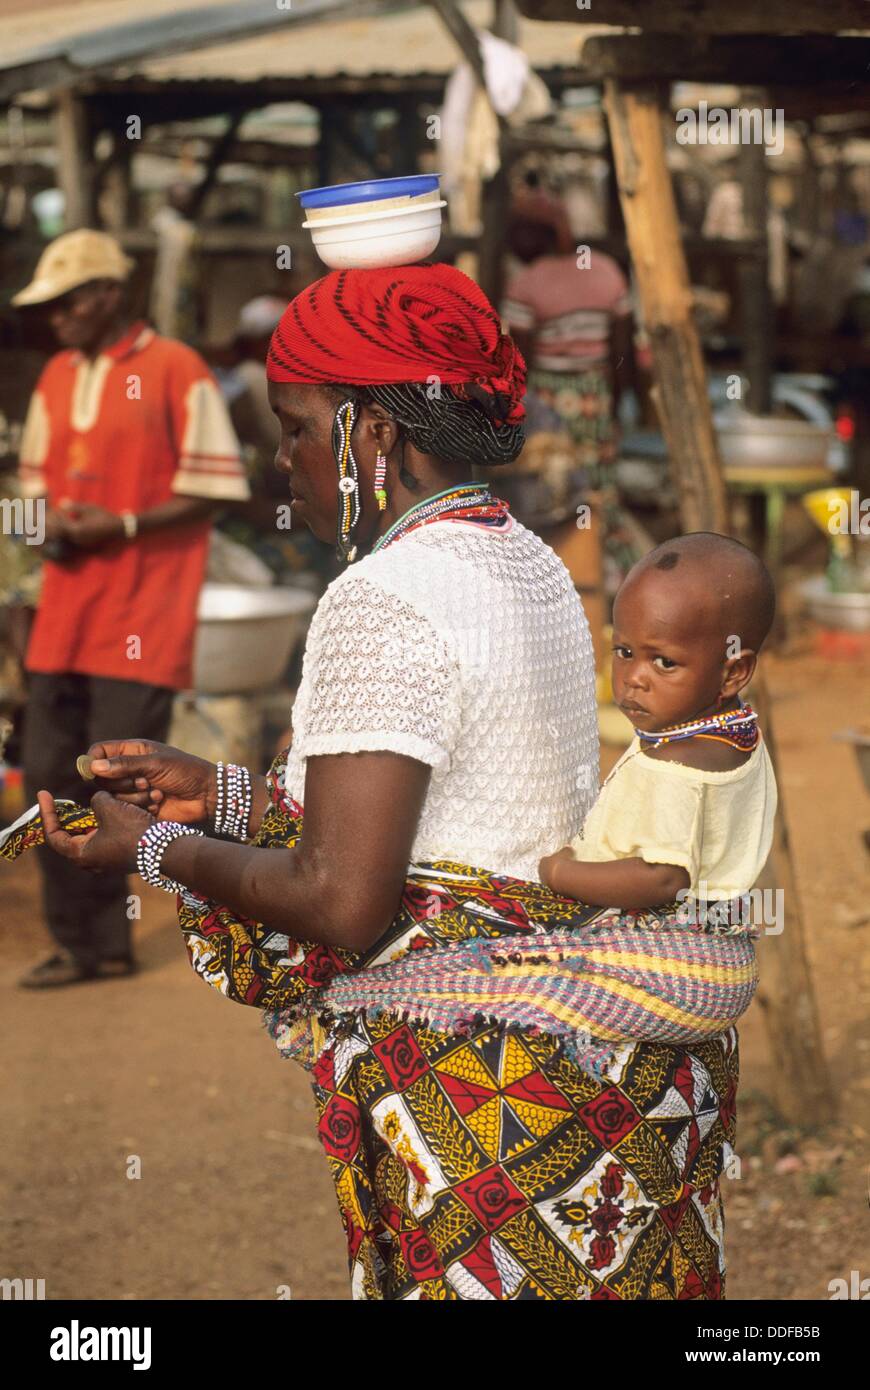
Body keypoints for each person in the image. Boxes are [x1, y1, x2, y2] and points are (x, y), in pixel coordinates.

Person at [31, 263, 747, 1300]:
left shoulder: (385, 595)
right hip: (598, 1079)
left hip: (488, 1094)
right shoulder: (533, 563)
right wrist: (220, 798)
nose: (283, 460)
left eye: (294, 428)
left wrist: (153, 848)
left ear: (370, 430)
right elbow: (467, 815)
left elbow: (342, 898)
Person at [12, 229, 250, 988]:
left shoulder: (175, 369)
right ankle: (80, 939)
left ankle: (110, 939)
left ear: (109, 294)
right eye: (48, 307)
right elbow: (29, 493)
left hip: (142, 615)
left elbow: (216, 486)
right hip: (64, 615)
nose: (56, 318)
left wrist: (119, 525)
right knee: (47, 772)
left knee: (114, 778)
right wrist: (40, 530)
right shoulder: (55, 376)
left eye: (68, 302)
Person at [540, 534, 778, 912]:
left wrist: (559, 873)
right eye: (624, 652)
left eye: (664, 662)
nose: (634, 678)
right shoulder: (737, 735)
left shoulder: (673, 768)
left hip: (653, 937)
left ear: (733, 672)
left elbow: (662, 878)